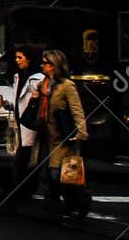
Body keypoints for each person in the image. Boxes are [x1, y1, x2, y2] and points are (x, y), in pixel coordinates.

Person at [35, 49, 89, 223]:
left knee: (64, 175)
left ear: (55, 65)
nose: (42, 66)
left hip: (63, 137)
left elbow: (76, 110)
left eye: (46, 63)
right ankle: (52, 208)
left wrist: (81, 132)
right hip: (45, 136)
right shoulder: (42, 85)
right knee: (48, 175)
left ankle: (81, 202)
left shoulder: (67, 85)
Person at [0, 47, 43, 214]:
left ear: (30, 59)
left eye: (20, 57)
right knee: (24, 165)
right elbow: (19, 103)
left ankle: (12, 202)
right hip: (21, 126)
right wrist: (7, 104)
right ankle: (19, 198)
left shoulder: (38, 79)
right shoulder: (19, 76)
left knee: (22, 165)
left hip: (32, 127)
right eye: (16, 57)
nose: (17, 60)